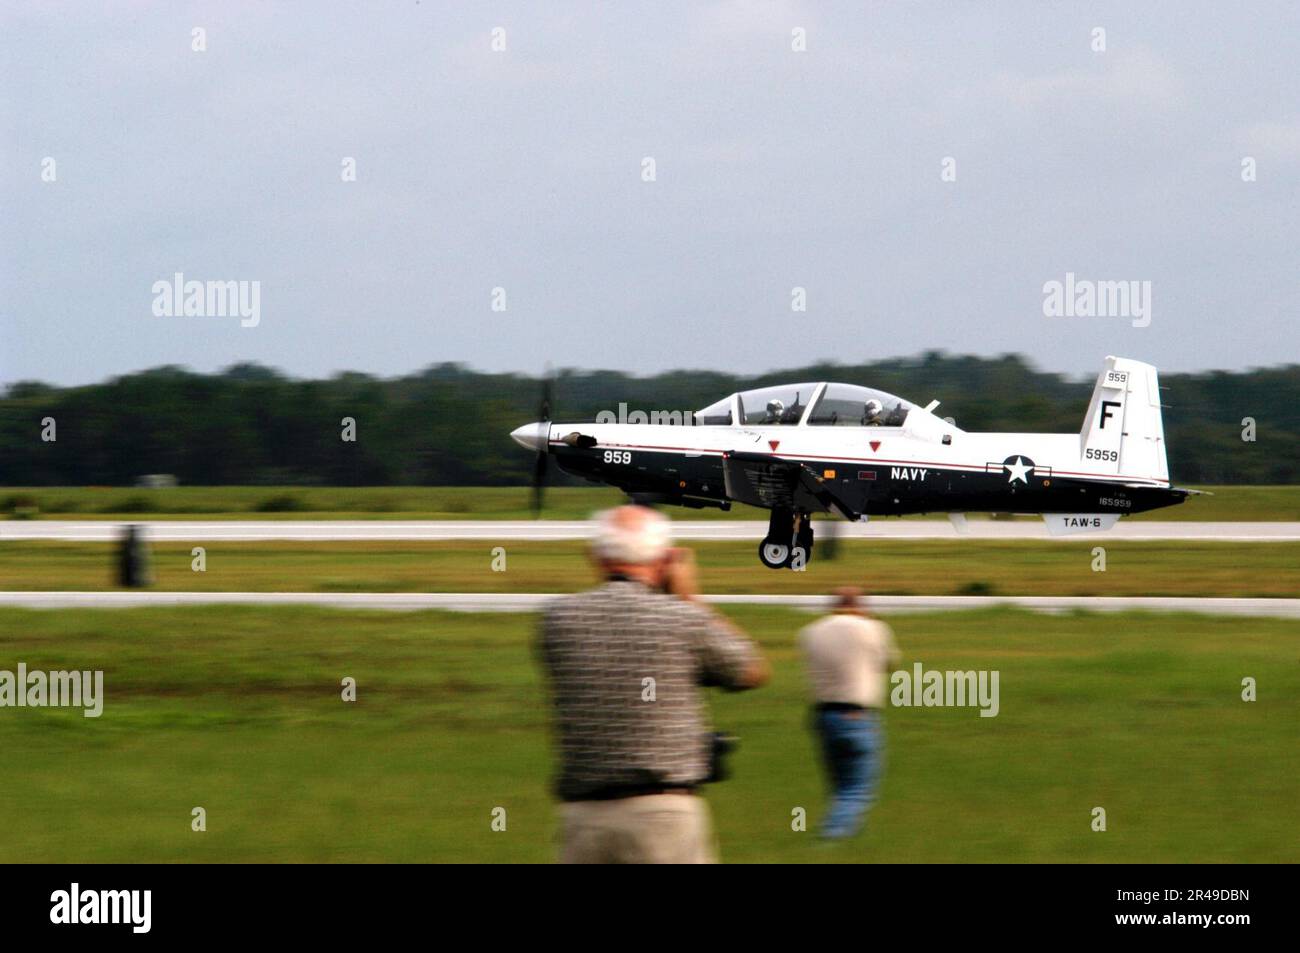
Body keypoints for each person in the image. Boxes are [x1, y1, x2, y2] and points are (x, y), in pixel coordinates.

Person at [537, 504, 770, 863]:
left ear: (596, 557)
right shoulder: (682, 619)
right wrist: (688, 596)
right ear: (664, 560)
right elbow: (749, 670)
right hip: (664, 814)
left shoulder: (557, 620)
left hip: (584, 816)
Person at [798, 587, 899, 839]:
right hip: (857, 715)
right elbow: (889, 663)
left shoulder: (810, 632)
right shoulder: (872, 629)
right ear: (860, 606)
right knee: (857, 789)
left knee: (840, 786)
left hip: (823, 715)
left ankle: (850, 836)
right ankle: (831, 838)